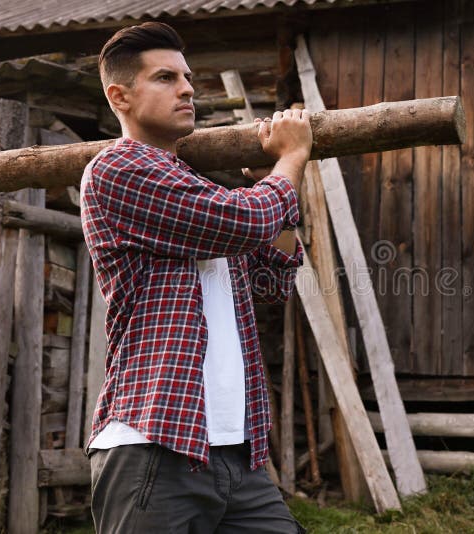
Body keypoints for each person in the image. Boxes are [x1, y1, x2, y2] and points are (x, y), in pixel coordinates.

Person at [80, 21, 311, 533]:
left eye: (187, 76)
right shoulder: (118, 170)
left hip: (235, 452)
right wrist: (291, 159)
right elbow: (243, 223)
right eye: (165, 78)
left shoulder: (200, 192)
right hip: (153, 447)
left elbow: (271, 283)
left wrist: (275, 193)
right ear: (120, 96)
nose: (187, 88)